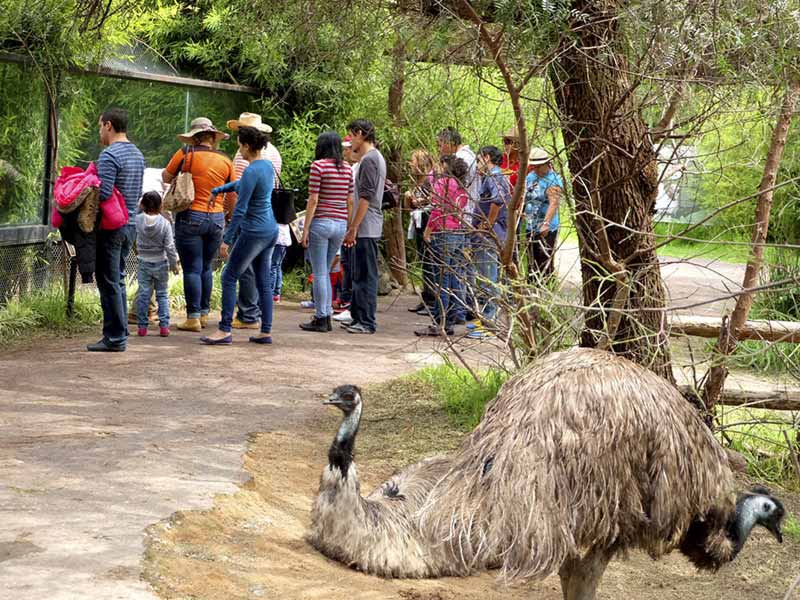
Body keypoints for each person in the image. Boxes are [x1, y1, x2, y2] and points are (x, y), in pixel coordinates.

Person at [201, 126, 278, 345]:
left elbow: (241, 209)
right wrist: (220, 189)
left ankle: (224, 329)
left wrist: (228, 239)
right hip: (270, 229)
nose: (239, 151)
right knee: (263, 281)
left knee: (229, 276)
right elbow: (245, 185)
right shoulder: (266, 166)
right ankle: (266, 331)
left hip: (254, 231)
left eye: (239, 146)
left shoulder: (252, 169)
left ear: (246, 145)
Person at [163, 117, 234, 332]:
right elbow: (232, 194)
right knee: (205, 267)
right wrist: (228, 218)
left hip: (190, 215)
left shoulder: (186, 153)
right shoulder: (226, 160)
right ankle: (204, 315)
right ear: (213, 137)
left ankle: (192, 318)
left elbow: (166, 176)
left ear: (194, 137)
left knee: (192, 269)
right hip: (216, 219)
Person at [88, 107, 145, 352]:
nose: (99, 131)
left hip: (112, 228)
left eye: (100, 126)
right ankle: (120, 332)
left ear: (109, 125)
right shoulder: (137, 153)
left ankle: (114, 338)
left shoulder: (109, 155)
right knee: (118, 279)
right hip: (130, 224)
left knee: (109, 282)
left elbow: (106, 193)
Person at [224, 113, 286, 325]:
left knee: (239, 271)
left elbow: (239, 193)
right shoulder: (273, 154)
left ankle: (246, 314)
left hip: (252, 223)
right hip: (270, 220)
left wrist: (229, 230)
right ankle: (264, 326)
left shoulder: (248, 160)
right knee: (263, 277)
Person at [300, 131, 353, 332]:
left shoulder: (318, 166)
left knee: (320, 272)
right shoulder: (347, 168)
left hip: (321, 223)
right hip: (339, 225)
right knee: (328, 271)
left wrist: (305, 229)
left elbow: (313, 199)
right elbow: (349, 200)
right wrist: (349, 226)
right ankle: (325, 315)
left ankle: (322, 317)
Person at [414, 155, 469, 337]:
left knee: (441, 280)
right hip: (457, 233)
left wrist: (428, 231)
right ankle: (451, 319)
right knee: (451, 277)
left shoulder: (443, 183)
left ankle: (440, 322)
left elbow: (437, 210)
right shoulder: (461, 186)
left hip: (443, 233)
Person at [342, 119, 386, 335]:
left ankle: (367, 321)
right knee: (359, 273)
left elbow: (366, 198)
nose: (350, 141)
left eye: (351, 135)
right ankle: (358, 316)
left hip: (367, 226)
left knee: (366, 275)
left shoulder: (370, 160)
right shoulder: (372, 158)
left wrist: (353, 227)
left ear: (360, 134)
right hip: (366, 225)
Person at [468, 145, 511, 339]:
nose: (477, 165)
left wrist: (487, 223)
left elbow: (497, 201)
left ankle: (489, 323)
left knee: (488, 279)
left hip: (489, 236)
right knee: (484, 277)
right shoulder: (490, 177)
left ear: (486, 158)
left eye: (478, 160)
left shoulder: (494, 176)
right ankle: (484, 319)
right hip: (484, 236)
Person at [437, 127, 478, 323]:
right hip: (463, 218)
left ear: (449, 142)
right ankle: (459, 311)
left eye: (441, 144)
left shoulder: (460, 162)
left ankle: (454, 313)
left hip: (456, 222)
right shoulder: (468, 157)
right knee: (458, 269)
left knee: (453, 271)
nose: (440, 149)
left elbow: (442, 206)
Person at [135, 191, 179, 338]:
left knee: (143, 295)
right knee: (162, 295)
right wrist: (174, 265)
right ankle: (164, 327)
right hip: (161, 262)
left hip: (143, 262)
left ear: (142, 205)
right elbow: (170, 247)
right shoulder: (165, 223)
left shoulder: (137, 220)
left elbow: (132, 239)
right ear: (161, 205)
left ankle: (142, 328)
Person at [405, 149, 438, 316]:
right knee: (423, 259)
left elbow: (434, 199)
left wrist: (419, 200)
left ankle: (432, 299)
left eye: (414, 161)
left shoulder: (431, 178)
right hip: (418, 219)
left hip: (427, 219)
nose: (411, 164)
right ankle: (426, 296)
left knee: (429, 260)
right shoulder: (417, 180)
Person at [523, 147, 564, 281]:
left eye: (537, 166)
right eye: (533, 166)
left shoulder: (553, 180)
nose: (535, 169)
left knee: (544, 259)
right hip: (530, 225)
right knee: (531, 261)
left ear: (545, 164)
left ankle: (546, 287)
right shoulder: (531, 177)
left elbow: (554, 203)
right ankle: (532, 288)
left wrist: (545, 223)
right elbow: (526, 195)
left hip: (546, 227)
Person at [332, 135, 359, 324]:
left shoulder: (354, 169)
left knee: (351, 266)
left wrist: (351, 225)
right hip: (346, 221)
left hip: (351, 223)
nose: (345, 152)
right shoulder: (350, 169)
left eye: (348, 148)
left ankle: (348, 302)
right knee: (346, 264)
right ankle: (345, 300)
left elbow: (352, 199)